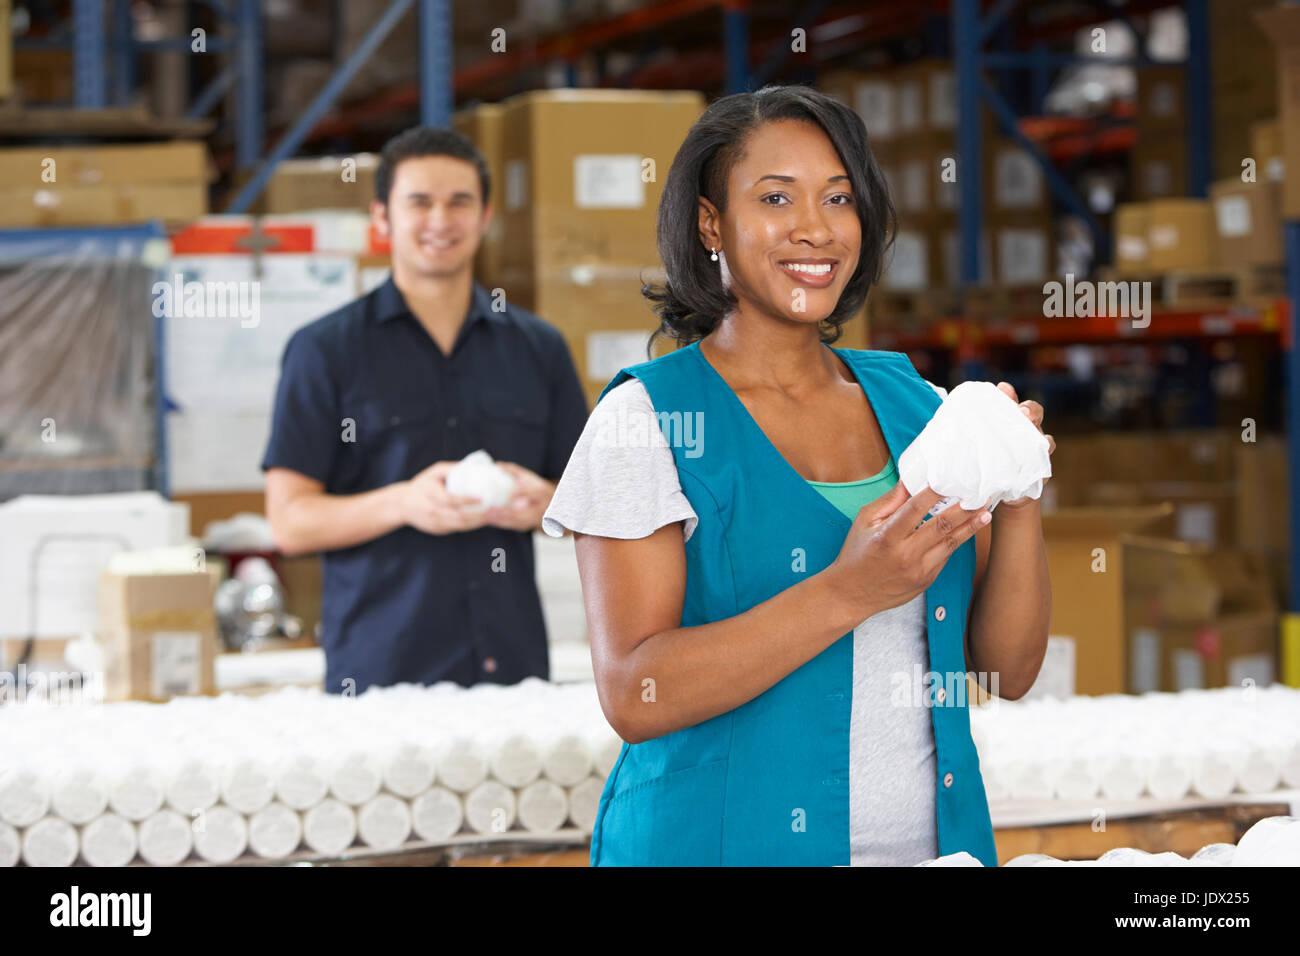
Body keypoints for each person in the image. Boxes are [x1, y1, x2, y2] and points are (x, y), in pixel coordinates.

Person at [542, 86, 1054, 866]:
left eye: (839, 198)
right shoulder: (647, 420)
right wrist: (850, 590)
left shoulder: (919, 408)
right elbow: (632, 692)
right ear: (712, 222)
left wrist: (1016, 485)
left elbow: (1004, 671)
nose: (814, 228)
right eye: (775, 197)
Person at [263, 126, 589, 695]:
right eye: (419, 202)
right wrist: (404, 502)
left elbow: (592, 504)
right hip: (379, 678)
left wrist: (546, 504)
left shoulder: (539, 349)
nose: (441, 219)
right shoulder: (325, 351)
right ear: (382, 219)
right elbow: (290, 522)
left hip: (512, 676)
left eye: (460, 202)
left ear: (485, 217)